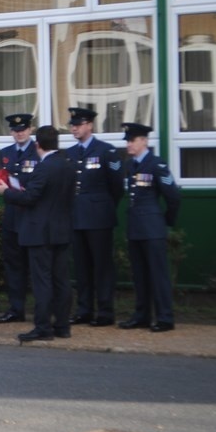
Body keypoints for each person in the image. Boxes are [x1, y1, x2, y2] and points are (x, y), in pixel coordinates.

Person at [0, 125, 75, 342]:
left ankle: (43, 327)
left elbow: (30, 197)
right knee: (61, 280)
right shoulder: (67, 165)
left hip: (40, 232)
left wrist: (6, 192)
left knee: (42, 281)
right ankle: (62, 325)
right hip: (62, 230)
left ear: (38, 144)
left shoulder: (44, 168)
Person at [118, 123, 182, 333]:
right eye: (127, 141)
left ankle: (165, 317)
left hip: (153, 227)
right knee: (140, 274)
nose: (129, 144)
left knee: (158, 274)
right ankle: (142, 315)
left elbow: (172, 196)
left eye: (133, 140)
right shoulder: (130, 165)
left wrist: (165, 221)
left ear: (144, 141)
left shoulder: (156, 164)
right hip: (136, 227)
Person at [67, 107, 122, 327]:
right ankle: (84, 310)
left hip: (99, 216)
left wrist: (104, 206)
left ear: (90, 125)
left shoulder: (106, 151)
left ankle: (106, 311)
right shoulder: (69, 153)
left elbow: (117, 186)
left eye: (78, 125)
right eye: (72, 125)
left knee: (102, 266)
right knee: (82, 267)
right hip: (76, 216)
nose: (74, 128)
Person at [0, 113, 39, 324]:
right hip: (12, 216)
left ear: (30, 130)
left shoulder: (37, 151)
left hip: (32, 216)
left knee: (36, 266)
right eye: (15, 130)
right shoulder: (6, 153)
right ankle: (16, 308)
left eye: (22, 130)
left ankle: (41, 309)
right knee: (14, 264)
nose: (19, 133)